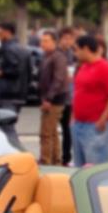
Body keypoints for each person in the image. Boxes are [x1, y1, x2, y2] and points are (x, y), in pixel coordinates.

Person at [72, 34, 108, 166]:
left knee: (94, 166)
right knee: (79, 166)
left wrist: (103, 119)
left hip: (96, 126)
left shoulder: (106, 68)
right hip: (79, 124)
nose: (75, 53)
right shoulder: (83, 67)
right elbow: (78, 92)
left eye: (76, 49)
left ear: (86, 49)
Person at [38, 29, 69, 165]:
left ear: (54, 42)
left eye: (46, 41)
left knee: (46, 133)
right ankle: (55, 160)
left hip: (55, 99)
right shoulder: (47, 56)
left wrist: (49, 98)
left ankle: (46, 161)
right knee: (53, 133)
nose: (43, 43)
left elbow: (58, 79)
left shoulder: (58, 57)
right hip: (48, 98)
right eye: (42, 40)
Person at [0, 23, 31, 110]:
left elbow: (14, 70)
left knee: (5, 120)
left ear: (7, 32)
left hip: (7, 93)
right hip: (20, 93)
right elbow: (29, 73)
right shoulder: (24, 50)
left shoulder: (7, 49)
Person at [57, 27, 77, 166]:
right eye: (65, 38)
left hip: (70, 96)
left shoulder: (74, 55)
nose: (68, 41)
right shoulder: (55, 54)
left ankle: (66, 157)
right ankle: (53, 156)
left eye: (70, 38)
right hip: (57, 96)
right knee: (52, 129)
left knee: (67, 129)